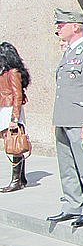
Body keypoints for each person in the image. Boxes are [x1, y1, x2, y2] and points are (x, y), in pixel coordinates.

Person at [47, 9, 83, 227]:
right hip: (63, 117)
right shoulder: (68, 52)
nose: (58, 28)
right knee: (67, 166)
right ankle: (72, 204)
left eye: (62, 24)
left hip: (80, 120)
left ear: (75, 26)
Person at [0, 42, 31, 192]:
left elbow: (17, 96)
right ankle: (21, 179)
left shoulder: (13, 72)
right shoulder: (6, 71)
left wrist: (14, 119)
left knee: (14, 144)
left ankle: (16, 181)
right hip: (6, 108)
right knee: (14, 143)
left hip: (10, 109)